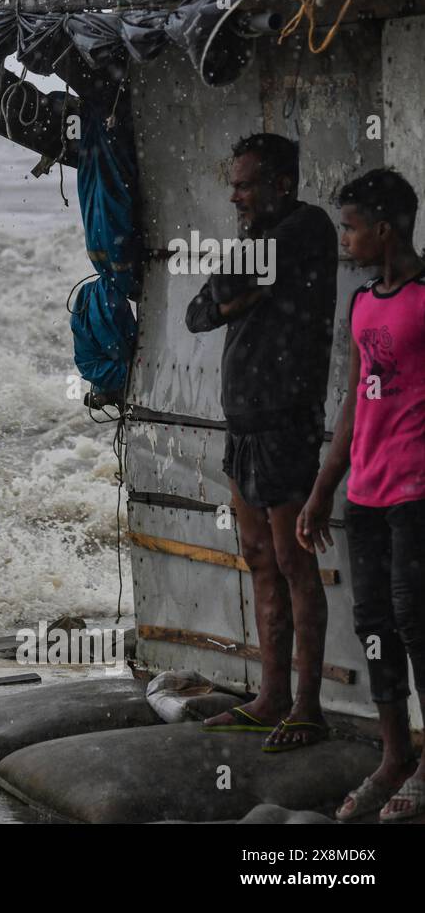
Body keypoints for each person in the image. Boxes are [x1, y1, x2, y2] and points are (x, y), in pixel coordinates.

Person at [186, 134, 338, 751]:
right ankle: (270, 696)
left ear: (281, 183)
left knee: (294, 564)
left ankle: (307, 707)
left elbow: (220, 291)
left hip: (284, 423)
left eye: (246, 184)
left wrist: (237, 292)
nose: (235, 195)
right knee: (257, 556)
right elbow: (198, 312)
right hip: (243, 425)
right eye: (235, 183)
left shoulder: (307, 228)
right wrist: (242, 292)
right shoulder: (258, 244)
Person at [298, 169, 425, 821]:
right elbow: (352, 401)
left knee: (415, 617)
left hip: (417, 492)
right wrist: (324, 488)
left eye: (350, 227)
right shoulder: (366, 302)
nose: (343, 238)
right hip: (366, 495)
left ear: (383, 229)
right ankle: (395, 754)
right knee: (374, 622)